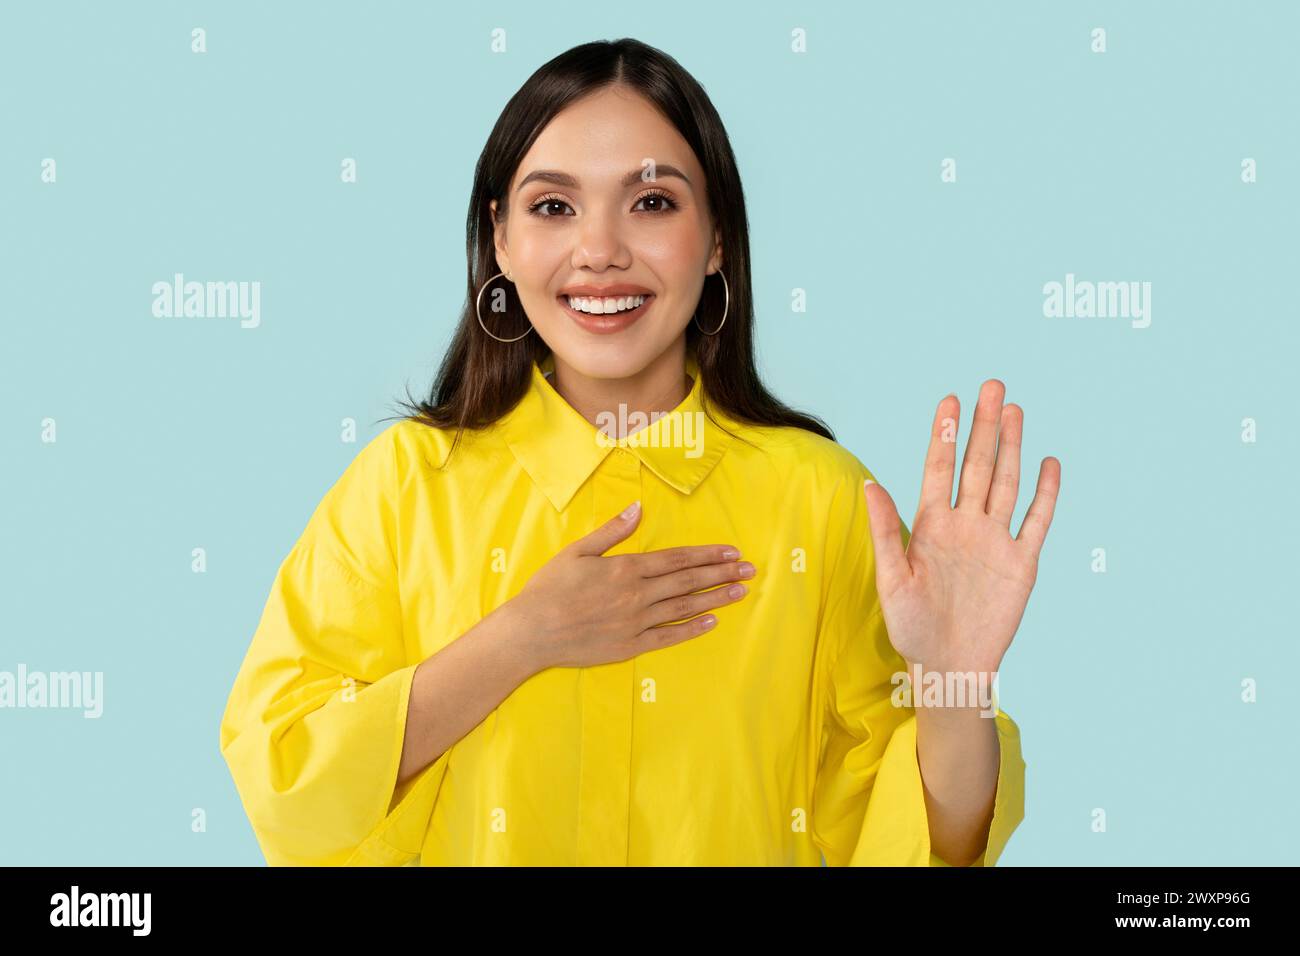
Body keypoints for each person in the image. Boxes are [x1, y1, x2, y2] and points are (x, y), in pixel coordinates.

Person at [219, 38, 1059, 867]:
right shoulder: (402, 487)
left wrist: (955, 687)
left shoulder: (824, 501)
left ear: (719, 237)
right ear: (501, 241)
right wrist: (519, 640)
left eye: (652, 203)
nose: (600, 251)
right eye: (554, 207)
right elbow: (288, 788)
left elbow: (920, 846)